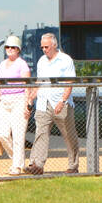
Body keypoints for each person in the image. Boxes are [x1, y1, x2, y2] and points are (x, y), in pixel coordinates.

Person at [24, 32, 79, 174]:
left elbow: (69, 83)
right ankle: (36, 165)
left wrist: (63, 101)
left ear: (54, 45)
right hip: (43, 103)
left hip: (61, 103)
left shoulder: (66, 60)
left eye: (46, 47)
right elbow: (39, 82)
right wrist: (31, 98)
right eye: (42, 47)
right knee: (40, 134)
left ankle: (73, 166)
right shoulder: (41, 60)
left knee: (69, 135)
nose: (44, 49)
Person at [0, 35, 32, 175]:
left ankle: (17, 165)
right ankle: (17, 160)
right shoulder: (2, 64)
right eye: (8, 47)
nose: (10, 49)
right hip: (4, 100)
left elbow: (27, 84)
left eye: (13, 47)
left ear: (18, 50)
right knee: (2, 133)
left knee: (18, 135)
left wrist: (27, 104)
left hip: (19, 98)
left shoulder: (22, 64)